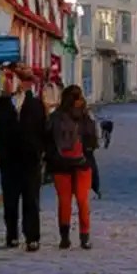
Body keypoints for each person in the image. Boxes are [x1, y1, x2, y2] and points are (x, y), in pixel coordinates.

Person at [0, 65, 47, 251]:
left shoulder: (37, 104)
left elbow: (44, 131)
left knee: (31, 200)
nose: (7, 82)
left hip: (30, 161)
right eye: (7, 79)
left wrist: (39, 151)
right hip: (9, 160)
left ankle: (32, 237)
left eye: (11, 79)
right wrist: (2, 148)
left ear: (24, 83)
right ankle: (11, 236)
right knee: (10, 201)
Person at [47, 84, 98, 250]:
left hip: (60, 164)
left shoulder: (55, 117)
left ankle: (65, 238)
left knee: (64, 201)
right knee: (83, 201)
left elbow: (47, 139)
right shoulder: (85, 117)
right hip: (83, 165)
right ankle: (85, 237)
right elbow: (93, 142)